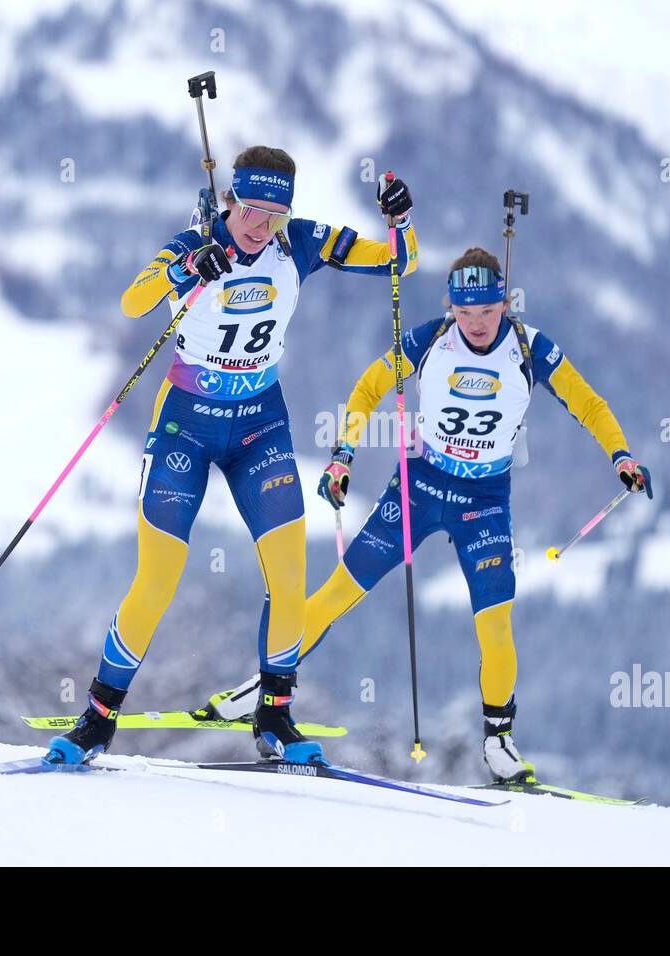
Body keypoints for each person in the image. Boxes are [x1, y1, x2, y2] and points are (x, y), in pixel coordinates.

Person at [199, 247, 651, 781]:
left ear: (505, 303)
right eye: (465, 312)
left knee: (496, 623)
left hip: (484, 503)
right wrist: (344, 455)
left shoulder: (530, 349)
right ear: (451, 307)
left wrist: (619, 453)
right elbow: (370, 386)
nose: (477, 324)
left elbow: (589, 403)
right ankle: (267, 684)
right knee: (340, 590)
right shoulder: (431, 338)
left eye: (487, 311)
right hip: (418, 487)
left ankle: (498, 741)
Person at [46, 146, 418, 766]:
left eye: (275, 215)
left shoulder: (299, 242)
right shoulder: (193, 242)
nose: (260, 227)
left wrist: (400, 221)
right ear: (230, 200)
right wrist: (187, 267)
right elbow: (132, 303)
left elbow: (395, 264)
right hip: (185, 427)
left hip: (259, 427)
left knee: (289, 571)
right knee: (159, 576)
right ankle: (98, 716)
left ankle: (274, 714)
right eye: (250, 211)